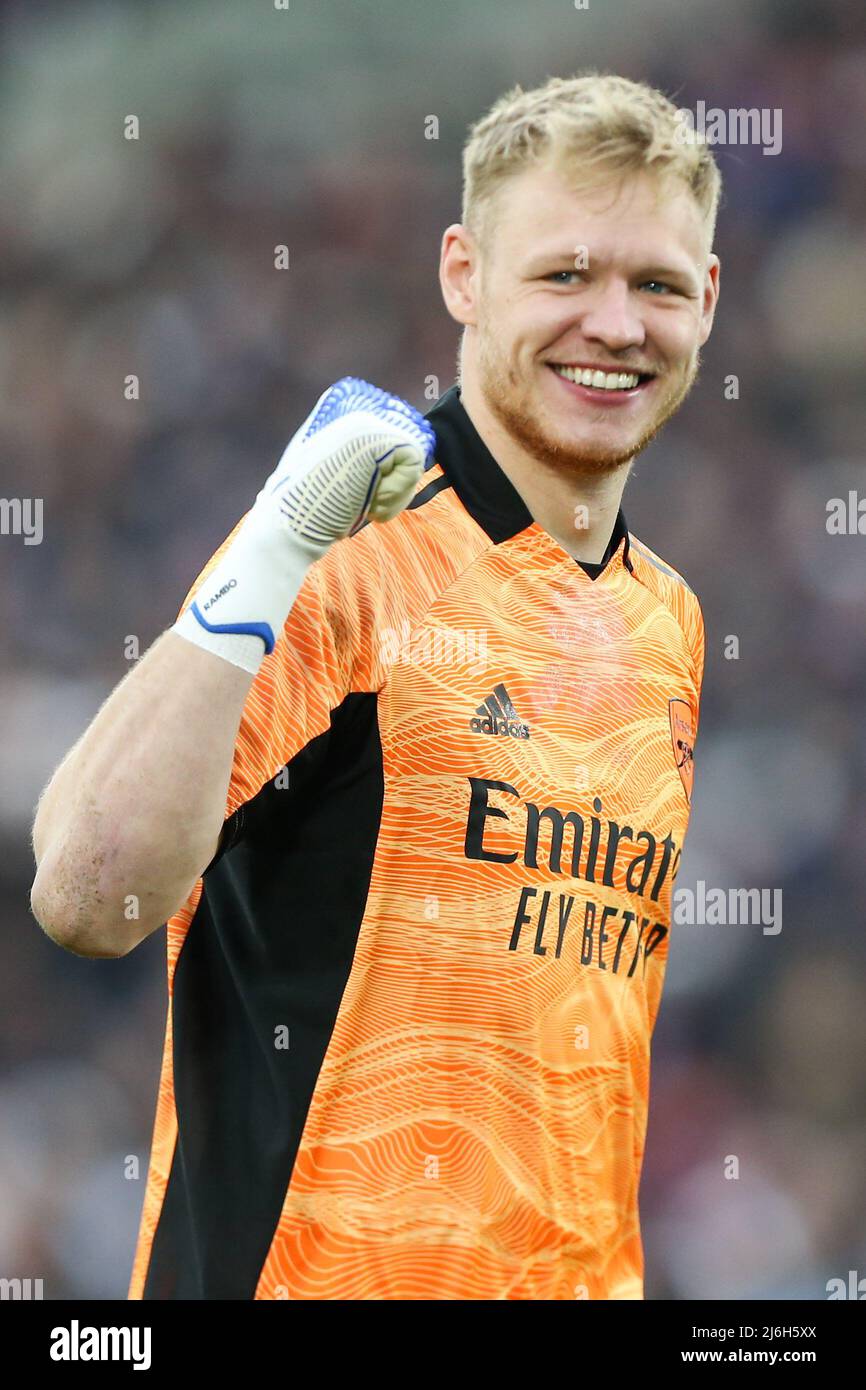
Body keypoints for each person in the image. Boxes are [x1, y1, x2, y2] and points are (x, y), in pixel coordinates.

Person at [30, 71, 720, 1300]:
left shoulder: (668, 621)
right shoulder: (341, 536)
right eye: (563, 275)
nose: (615, 324)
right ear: (462, 275)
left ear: (706, 301)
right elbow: (89, 894)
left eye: (655, 284)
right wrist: (272, 548)